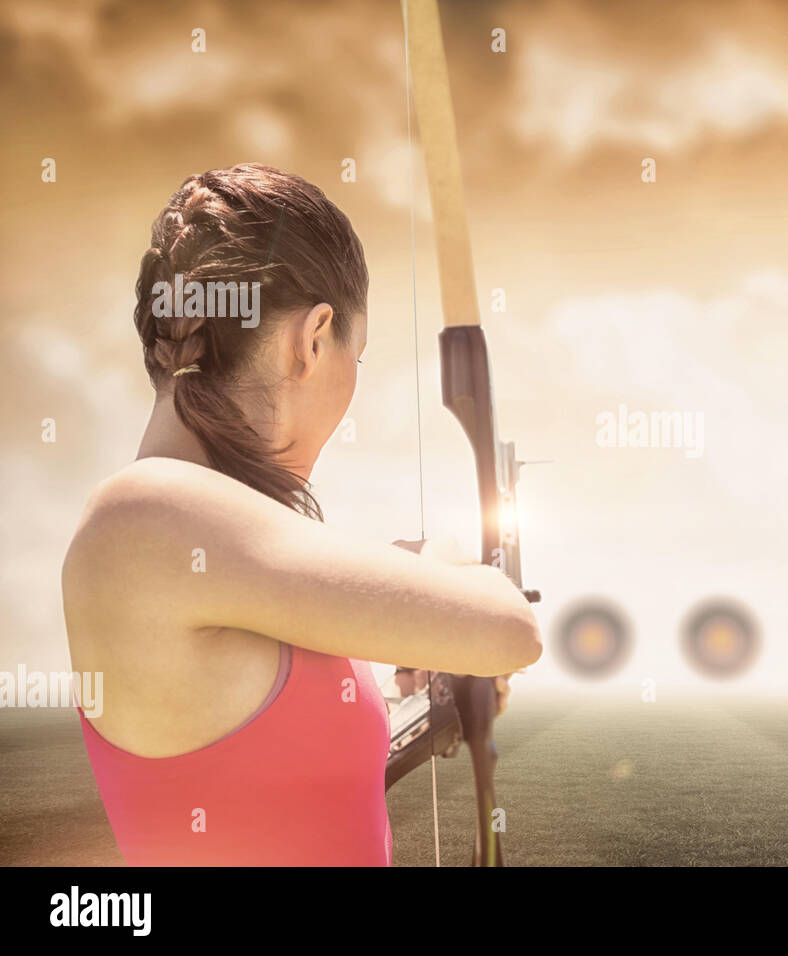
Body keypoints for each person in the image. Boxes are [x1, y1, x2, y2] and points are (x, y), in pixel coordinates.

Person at [61, 163, 541, 866]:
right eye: (359, 354)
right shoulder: (141, 515)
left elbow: (257, 773)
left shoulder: (197, 553)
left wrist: (396, 682)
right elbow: (509, 628)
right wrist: (433, 561)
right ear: (313, 339)